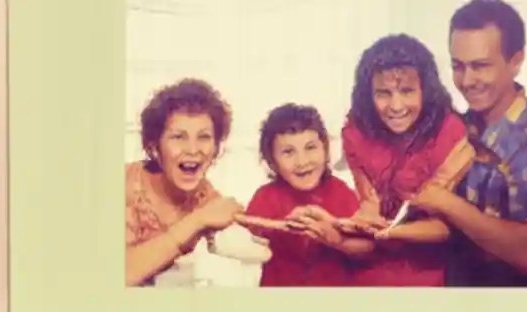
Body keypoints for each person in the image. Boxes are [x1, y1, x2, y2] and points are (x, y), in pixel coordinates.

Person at [410, 0, 527, 287]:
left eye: (480, 66)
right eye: (458, 66)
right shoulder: (458, 126)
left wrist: (449, 204)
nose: (467, 80)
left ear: (516, 61)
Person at [339, 34, 476, 287]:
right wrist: (358, 222)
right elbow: (369, 202)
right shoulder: (355, 131)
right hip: (372, 258)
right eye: (383, 93)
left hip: (433, 265)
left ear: (426, 89)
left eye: (407, 91)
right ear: (368, 95)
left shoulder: (450, 133)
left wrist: (391, 232)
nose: (396, 105)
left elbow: (447, 228)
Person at [124, 78, 245, 287]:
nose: (192, 149)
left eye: (204, 137)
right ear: (154, 146)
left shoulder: (207, 199)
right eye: (179, 137)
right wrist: (197, 221)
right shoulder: (124, 185)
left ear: (216, 148)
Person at [238, 104, 371, 287]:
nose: (302, 162)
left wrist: (336, 239)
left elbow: (366, 249)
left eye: (310, 148)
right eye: (288, 152)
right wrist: (283, 225)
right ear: (272, 161)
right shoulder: (266, 197)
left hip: (334, 301)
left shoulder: (341, 192)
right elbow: (245, 235)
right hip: (280, 302)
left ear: (325, 150)